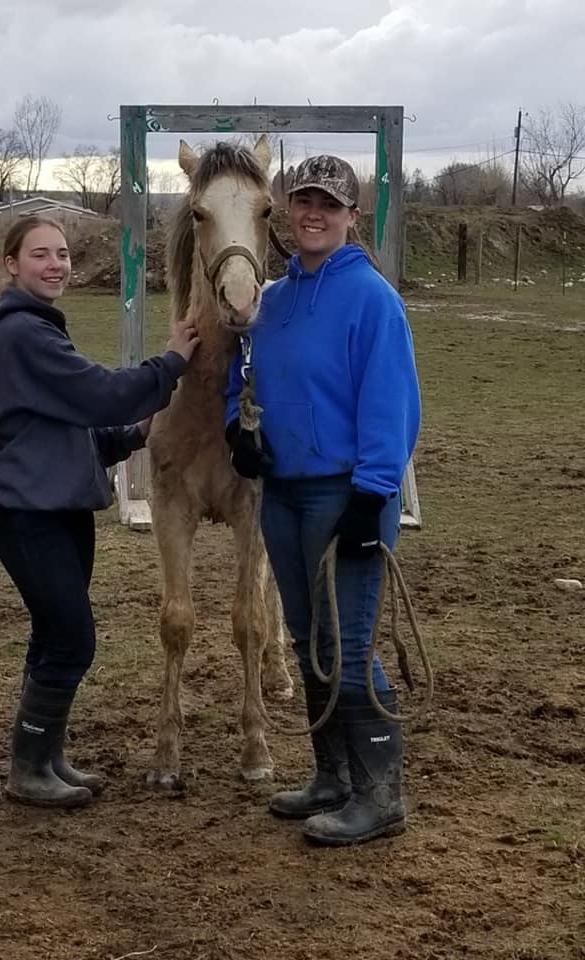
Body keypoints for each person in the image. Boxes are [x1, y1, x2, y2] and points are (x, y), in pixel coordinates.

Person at [225, 156, 421, 846]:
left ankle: (379, 795)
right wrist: (234, 423)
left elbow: (389, 405)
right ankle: (331, 776)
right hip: (282, 495)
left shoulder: (371, 299)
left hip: (343, 497)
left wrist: (371, 498)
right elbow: (242, 366)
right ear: (286, 209)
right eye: (303, 201)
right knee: (310, 640)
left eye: (328, 205)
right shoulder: (271, 300)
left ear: (350, 216)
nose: (313, 213)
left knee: (349, 644)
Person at [0, 215, 200, 809]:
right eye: (41, 255)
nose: (57, 265)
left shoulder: (38, 327)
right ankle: (28, 768)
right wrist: (171, 362)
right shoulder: (24, 332)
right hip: (29, 516)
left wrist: (134, 433)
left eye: (64, 254)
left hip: (60, 508)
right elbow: (100, 392)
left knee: (53, 635)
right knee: (73, 640)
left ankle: (44, 757)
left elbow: (75, 434)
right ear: (12, 265)